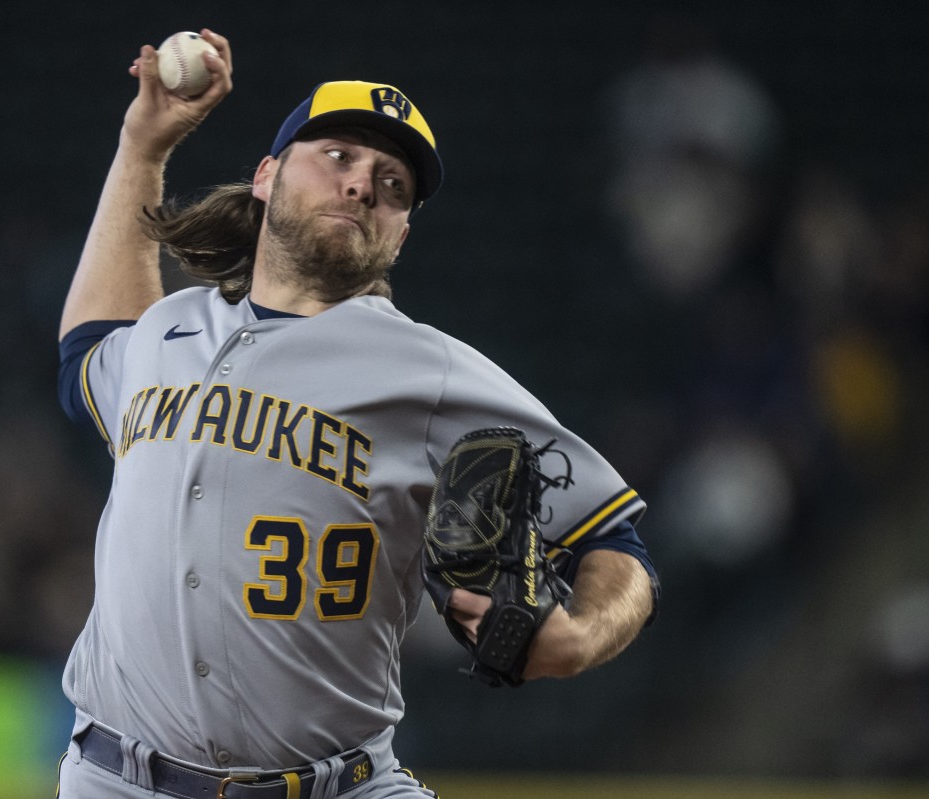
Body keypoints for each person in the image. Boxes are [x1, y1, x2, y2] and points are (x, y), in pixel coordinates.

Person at [55, 29, 659, 799]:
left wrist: (574, 639)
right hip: (118, 778)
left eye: (394, 184)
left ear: (400, 234)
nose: (364, 184)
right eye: (338, 156)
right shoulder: (169, 329)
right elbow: (88, 356)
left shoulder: (430, 372)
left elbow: (616, 542)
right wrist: (141, 150)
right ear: (267, 177)